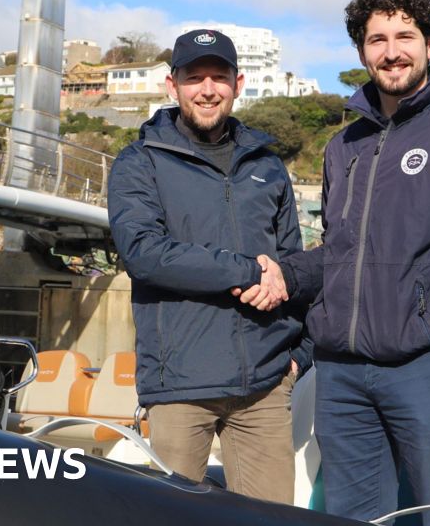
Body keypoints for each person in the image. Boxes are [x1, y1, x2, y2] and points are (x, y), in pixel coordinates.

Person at [238, 0, 430, 522]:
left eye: (405, 36)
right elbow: (341, 252)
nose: (392, 51)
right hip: (343, 374)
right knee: (353, 517)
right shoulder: (343, 146)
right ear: (362, 51)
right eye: (377, 39)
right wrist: (286, 273)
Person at [107, 29, 311, 504]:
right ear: (172, 85)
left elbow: (293, 266)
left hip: (265, 384)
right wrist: (246, 272)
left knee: (270, 520)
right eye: (194, 77)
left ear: (237, 84)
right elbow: (144, 253)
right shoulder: (140, 162)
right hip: (181, 385)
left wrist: (302, 354)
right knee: (172, 517)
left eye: (218, 77)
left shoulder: (267, 166)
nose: (207, 89)